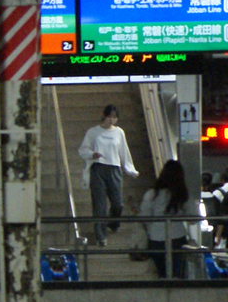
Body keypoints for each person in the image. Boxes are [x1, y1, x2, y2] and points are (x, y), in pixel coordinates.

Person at [78, 104, 139, 246]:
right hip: (98, 168)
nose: (111, 120)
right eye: (109, 117)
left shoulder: (119, 132)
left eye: (114, 117)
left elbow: (124, 152)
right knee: (99, 205)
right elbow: (82, 150)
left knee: (117, 203)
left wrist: (130, 169)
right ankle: (100, 236)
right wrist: (92, 154)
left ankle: (113, 223)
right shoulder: (93, 132)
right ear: (104, 116)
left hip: (114, 169)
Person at [137, 159, 197, 279]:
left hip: (156, 239)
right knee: (177, 276)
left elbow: (144, 216)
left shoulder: (152, 194)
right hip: (177, 238)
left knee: (161, 274)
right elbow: (194, 218)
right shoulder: (183, 194)